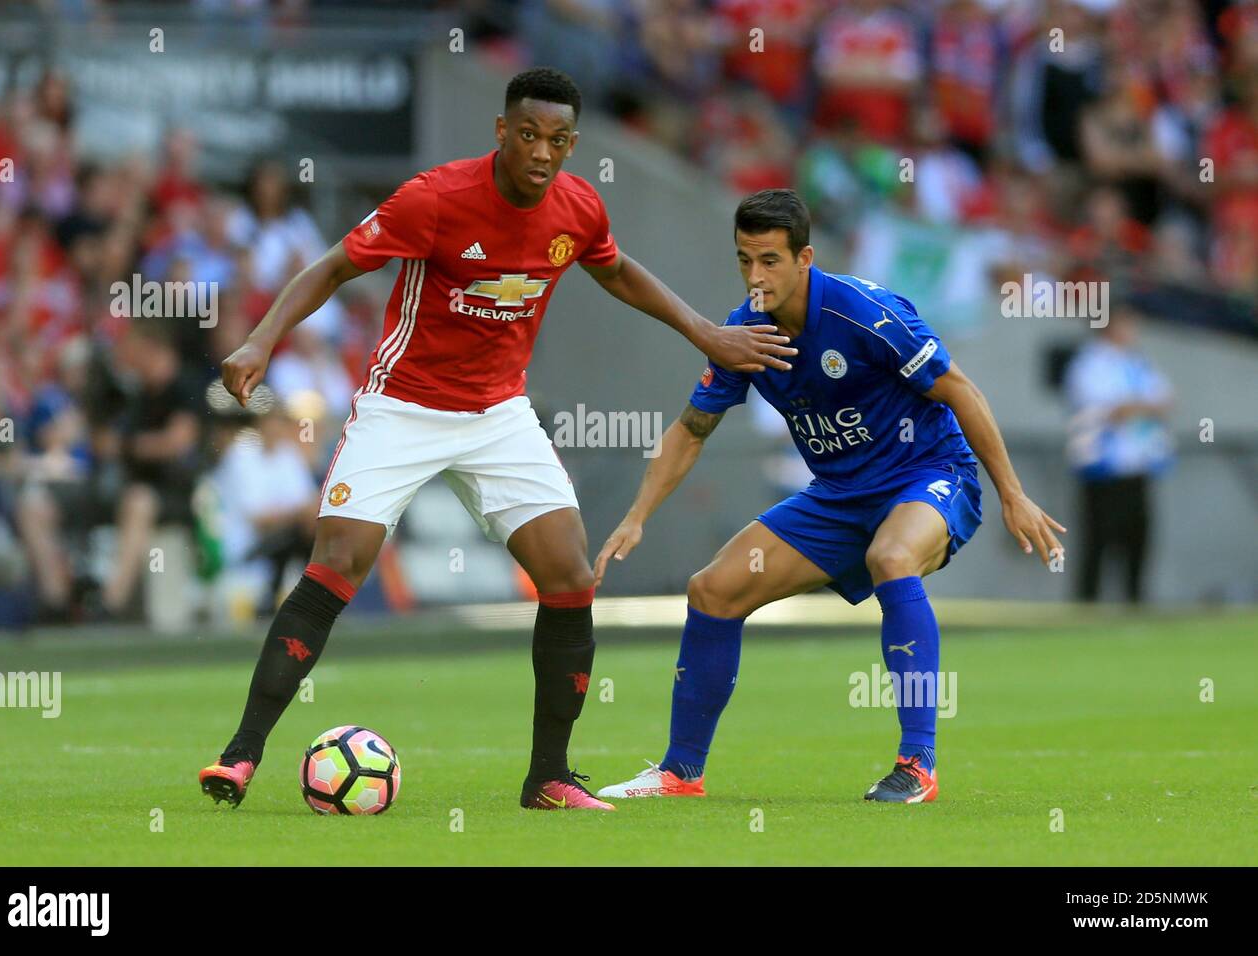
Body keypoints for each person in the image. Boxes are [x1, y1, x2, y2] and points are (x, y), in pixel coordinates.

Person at [198, 68, 796, 812]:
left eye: (559, 140)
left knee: (571, 577)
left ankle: (548, 776)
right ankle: (241, 756)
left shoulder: (577, 208)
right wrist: (260, 341)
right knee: (338, 563)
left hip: (498, 413)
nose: (543, 152)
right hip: (404, 405)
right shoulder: (435, 199)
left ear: (573, 144)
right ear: (502, 132)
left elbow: (618, 272)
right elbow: (332, 265)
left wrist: (707, 331)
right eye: (529, 135)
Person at [593, 188, 1064, 804]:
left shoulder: (864, 313)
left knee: (892, 559)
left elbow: (960, 391)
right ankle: (681, 773)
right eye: (743, 261)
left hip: (927, 473)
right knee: (712, 589)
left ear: (805, 258)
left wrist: (1013, 494)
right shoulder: (744, 333)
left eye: (769, 261)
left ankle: (917, 765)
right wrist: (636, 517)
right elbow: (692, 428)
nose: (755, 277)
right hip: (839, 495)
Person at [1063, 301, 1173, 603]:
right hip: (1101, 466)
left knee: (1138, 539)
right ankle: (1087, 603)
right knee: (1098, 539)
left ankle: (1135, 600)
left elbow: (1165, 401)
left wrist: (1138, 407)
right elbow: (1112, 410)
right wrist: (1142, 407)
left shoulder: (1137, 363)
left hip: (1137, 463)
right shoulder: (1089, 364)